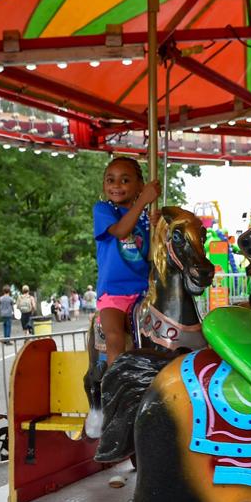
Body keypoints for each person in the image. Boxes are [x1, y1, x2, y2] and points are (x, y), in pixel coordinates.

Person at [93, 157, 159, 369]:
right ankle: (116, 390)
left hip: (144, 293)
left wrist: (158, 227)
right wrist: (142, 201)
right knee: (115, 339)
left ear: (140, 185)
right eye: (110, 180)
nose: (116, 185)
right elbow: (121, 230)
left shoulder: (145, 219)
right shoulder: (104, 210)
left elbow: (158, 254)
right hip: (113, 293)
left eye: (125, 180)